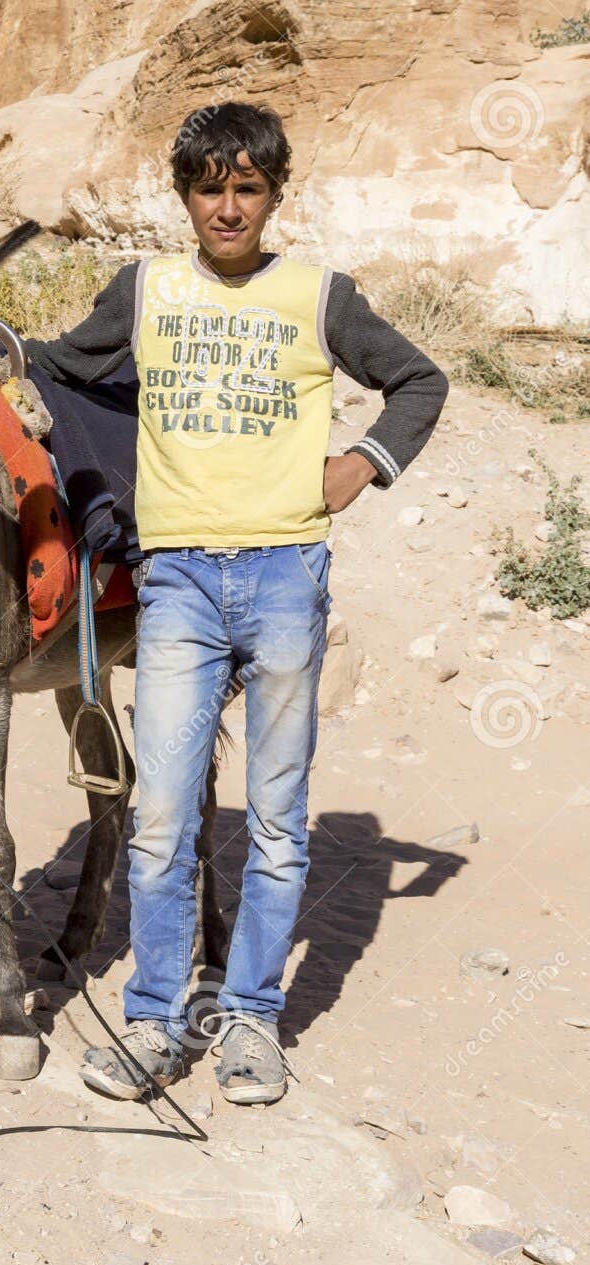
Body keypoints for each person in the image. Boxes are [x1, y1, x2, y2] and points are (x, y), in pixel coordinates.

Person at [26, 102, 448, 1105]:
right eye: (208, 187)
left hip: (281, 577)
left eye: (246, 187)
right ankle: (156, 1023)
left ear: (271, 194)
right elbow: (57, 362)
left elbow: (417, 383)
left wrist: (363, 461)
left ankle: (252, 1021)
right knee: (164, 814)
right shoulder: (145, 290)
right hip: (176, 580)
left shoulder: (316, 296)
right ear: (182, 196)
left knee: (274, 818)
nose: (227, 207)